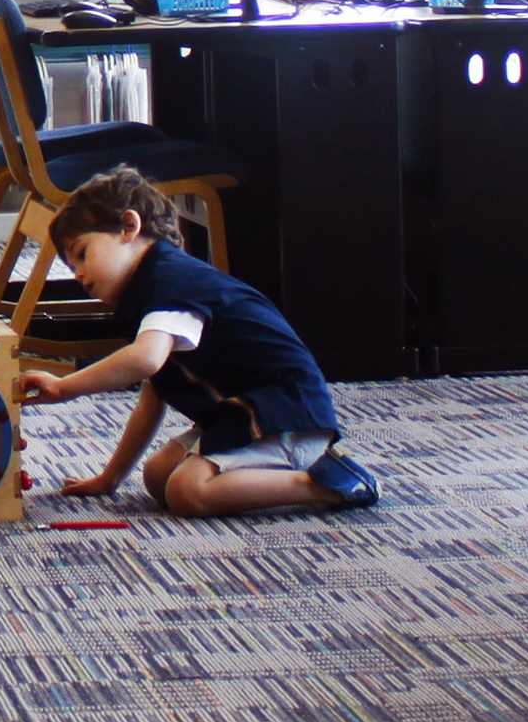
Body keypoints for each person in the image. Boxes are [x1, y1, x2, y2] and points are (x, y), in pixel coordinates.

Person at [19, 167, 381, 516]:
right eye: (70, 267)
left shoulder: (171, 280)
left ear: (129, 226)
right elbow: (151, 399)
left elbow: (143, 360)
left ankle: (326, 482)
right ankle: (274, 472)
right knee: (157, 476)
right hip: (240, 412)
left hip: (285, 413)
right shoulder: (146, 298)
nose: (79, 273)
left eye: (82, 253)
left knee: (186, 492)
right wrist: (109, 478)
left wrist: (66, 387)